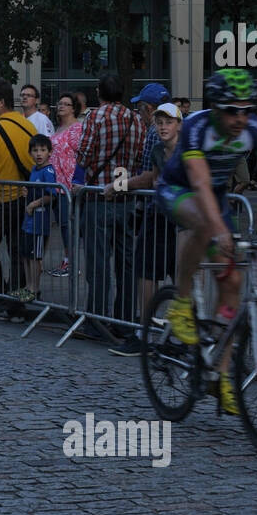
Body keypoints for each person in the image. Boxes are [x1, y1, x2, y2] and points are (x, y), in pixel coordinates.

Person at [155, 69, 257, 413]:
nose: (240, 118)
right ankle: (181, 303)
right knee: (203, 224)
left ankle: (220, 373)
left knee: (233, 280)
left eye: (247, 109)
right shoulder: (199, 128)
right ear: (215, 107)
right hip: (178, 189)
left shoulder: (255, 129)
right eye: (232, 110)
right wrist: (220, 231)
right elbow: (198, 185)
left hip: (214, 195)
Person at [111, 102, 182, 357]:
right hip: (157, 216)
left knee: (182, 274)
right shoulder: (157, 150)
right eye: (159, 122)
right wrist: (119, 186)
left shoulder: (188, 152)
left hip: (183, 220)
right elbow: (150, 178)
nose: (163, 126)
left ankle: (185, 333)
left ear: (179, 125)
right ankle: (145, 331)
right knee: (146, 271)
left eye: (168, 122)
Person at [76, 72, 145, 325]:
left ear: (99, 92)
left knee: (98, 264)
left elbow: (83, 156)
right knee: (126, 264)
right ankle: (124, 320)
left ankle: (97, 319)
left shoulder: (95, 116)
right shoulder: (136, 120)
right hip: (126, 198)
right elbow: (139, 159)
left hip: (98, 197)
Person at [0, 79, 37, 309]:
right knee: (17, 251)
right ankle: (15, 301)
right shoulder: (28, 127)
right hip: (25, 199)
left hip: (1, 200)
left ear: (1, 102)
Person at [19, 134, 57, 302]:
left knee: (35, 257)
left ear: (49, 152)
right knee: (26, 255)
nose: (39, 154)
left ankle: (35, 288)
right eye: (35, 150)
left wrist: (33, 204)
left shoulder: (48, 171)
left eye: (43, 150)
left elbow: (51, 195)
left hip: (40, 222)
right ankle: (28, 286)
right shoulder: (34, 170)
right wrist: (26, 192)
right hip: (29, 221)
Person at [47, 92, 82, 277]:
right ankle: (67, 260)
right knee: (63, 225)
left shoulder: (77, 129)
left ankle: (71, 263)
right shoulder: (58, 128)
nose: (61, 106)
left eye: (66, 104)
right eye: (59, 103)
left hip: (68, 186)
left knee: (68, 225)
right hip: (56, 185)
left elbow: (81, 156)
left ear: (73, 108)